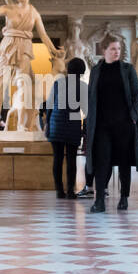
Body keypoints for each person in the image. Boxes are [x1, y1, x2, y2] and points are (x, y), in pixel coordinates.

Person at [85, 35, 138, 212]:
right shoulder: (96, 70)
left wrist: (133, 116)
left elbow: (137, 95)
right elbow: (91, 96)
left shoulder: (127, 69)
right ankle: (99, 201)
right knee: (101, 162)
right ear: (104, 50)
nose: (116, 52)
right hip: (102, 125)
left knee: (124, 162)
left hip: (124, 124)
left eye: (118, 49)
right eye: (112, 49)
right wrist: (89, 121)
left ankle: (124, 197)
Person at [46, 57, 88, 199]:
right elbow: (86, 110)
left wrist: (48, 125)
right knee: (71, 160)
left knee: (57, 159)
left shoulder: (58, 83)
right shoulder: (82, 86)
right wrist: (85, 128)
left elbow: (50, 105)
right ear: (82, 71)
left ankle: (59, 190)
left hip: (56, 124)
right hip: (72, 126)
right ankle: (70, 190)